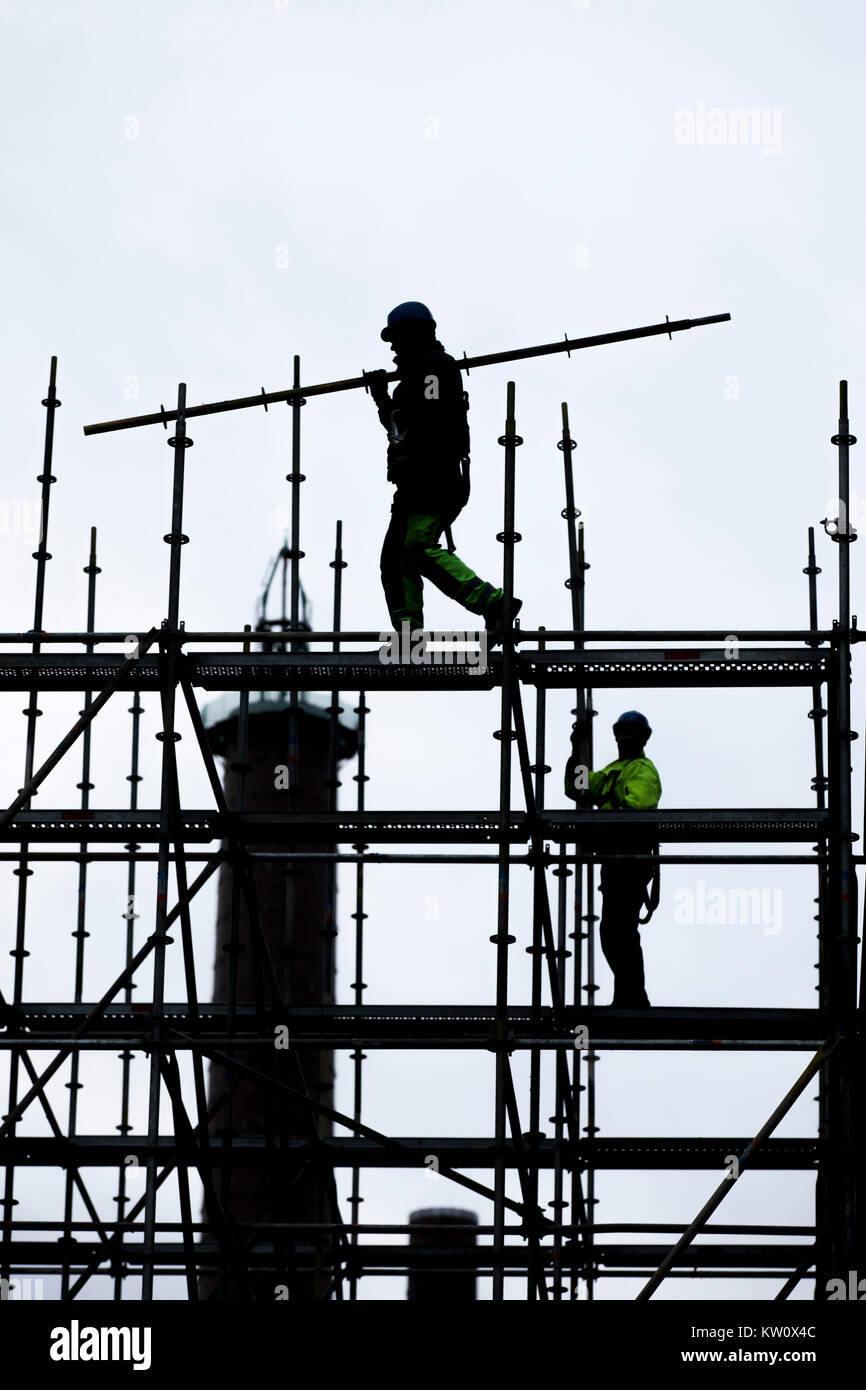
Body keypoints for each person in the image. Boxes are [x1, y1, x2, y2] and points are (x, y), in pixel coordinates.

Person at [365, 302, 520, 641]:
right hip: (417, 482)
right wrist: (383, 400)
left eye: (397, 339)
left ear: (416, 335)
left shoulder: (432, 368)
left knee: (416, 548)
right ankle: (408, 633)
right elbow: (402, 428)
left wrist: (397, 406)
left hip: (433, 478)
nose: (393, 348)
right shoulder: (411, 380)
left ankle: (493, 603)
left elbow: (430, 415)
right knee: (396, 559)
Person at [564, 709, 661, 1008]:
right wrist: (575, 752)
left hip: (631, 857)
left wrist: (602, 820)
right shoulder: (612, 771)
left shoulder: (643, 769)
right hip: (615, 860)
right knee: (613, 932)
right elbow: (578, 788)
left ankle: (632, 998)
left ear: (642, 738)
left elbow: (637, 808)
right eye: (622, 732)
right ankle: (629, 996)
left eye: (630, 733)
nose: (625, 738)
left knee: (620, 931)